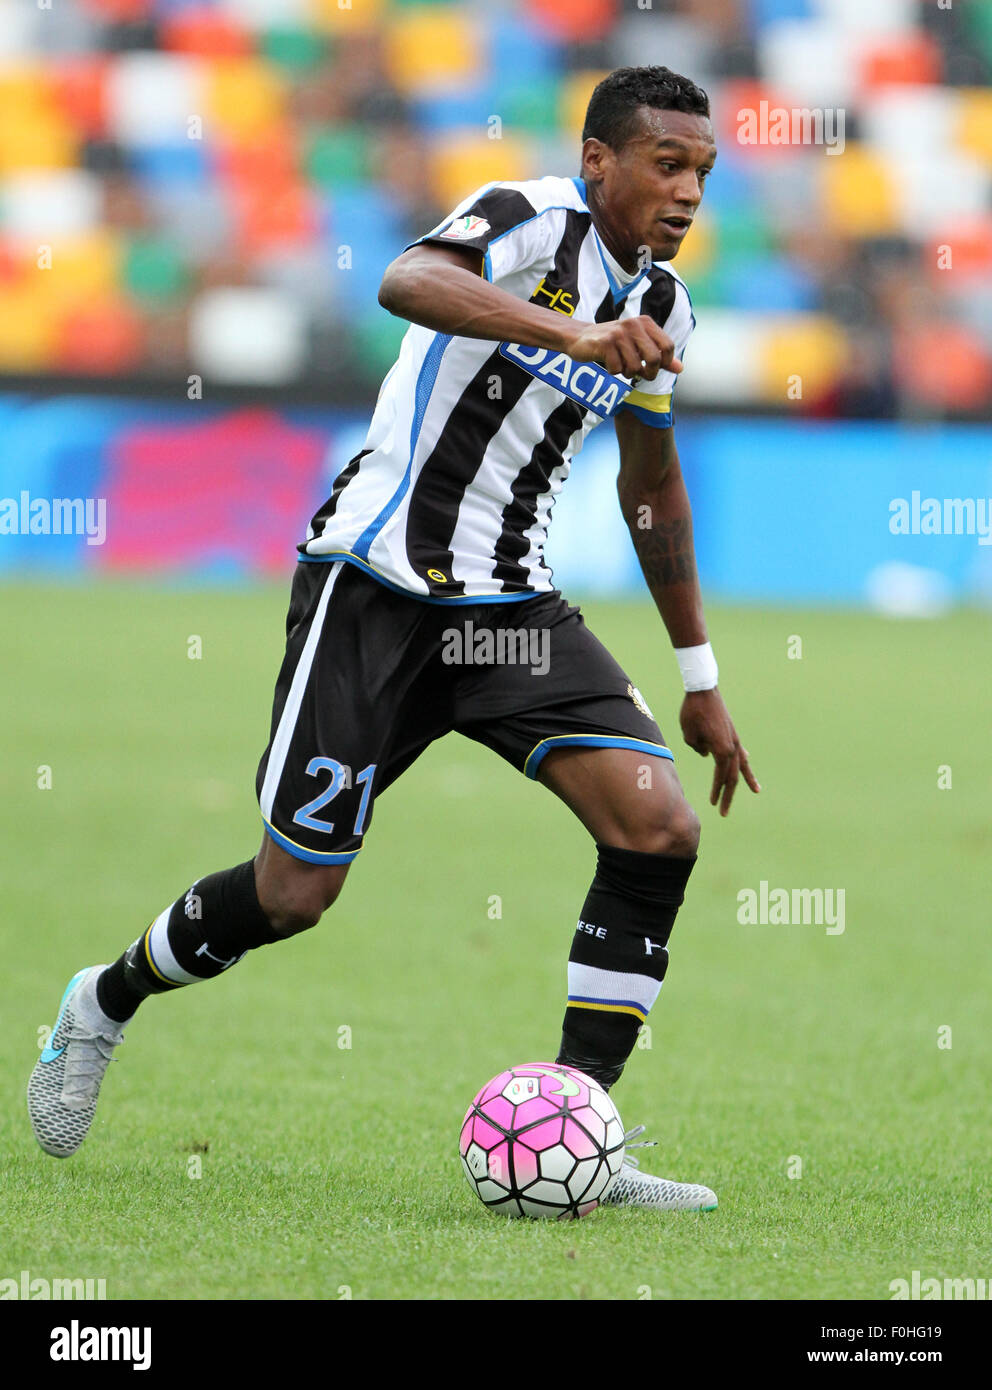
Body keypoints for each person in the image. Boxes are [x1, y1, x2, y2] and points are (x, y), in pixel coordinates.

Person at [28, 66, 758, 1211]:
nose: (686, 191)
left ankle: (582, 1134)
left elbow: (650, 489)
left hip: (507, 612)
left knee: (657, 827)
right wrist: (571, 335)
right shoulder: (526, 221)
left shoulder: (662, 310)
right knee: (290, 895)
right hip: (373, 587)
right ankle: (102, 1000)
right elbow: (406, 277)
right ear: (599, 159)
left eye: (702, 172)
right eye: (665, 164)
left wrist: (698, 675)